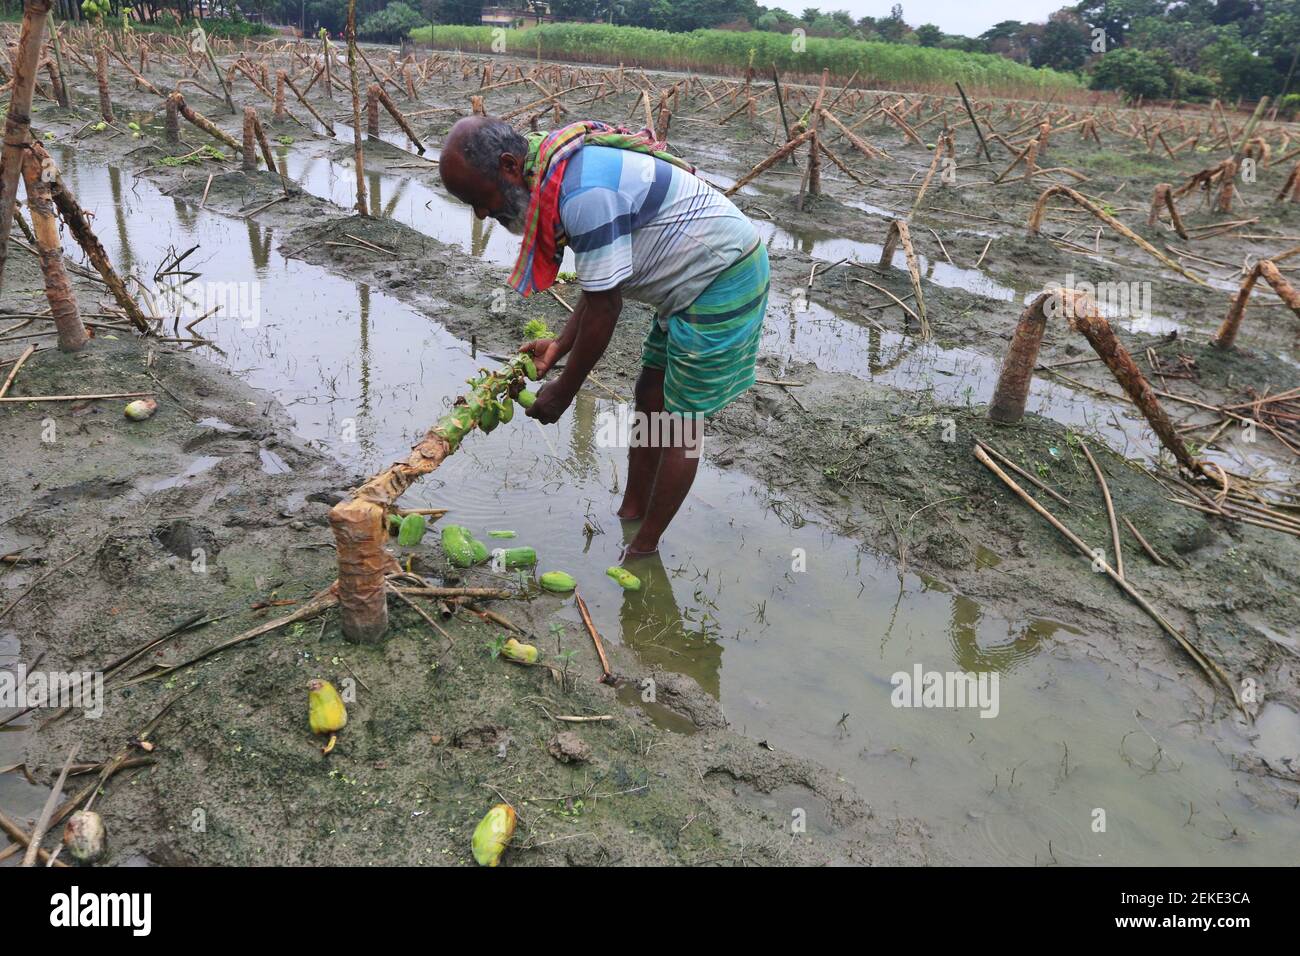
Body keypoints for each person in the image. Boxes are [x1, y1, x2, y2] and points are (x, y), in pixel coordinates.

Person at [438, 115, 769, 554]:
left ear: (508, 167)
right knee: (650, 391)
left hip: (722, 278)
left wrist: (564, 390)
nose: (482, 212)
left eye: (480, 198)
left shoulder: (583, 193)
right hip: (688, 280)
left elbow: (606, 306)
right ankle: (631, 512)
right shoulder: (550, 170)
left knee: (681, 423)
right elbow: (600, 286)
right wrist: (558, 347)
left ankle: (643, 549)